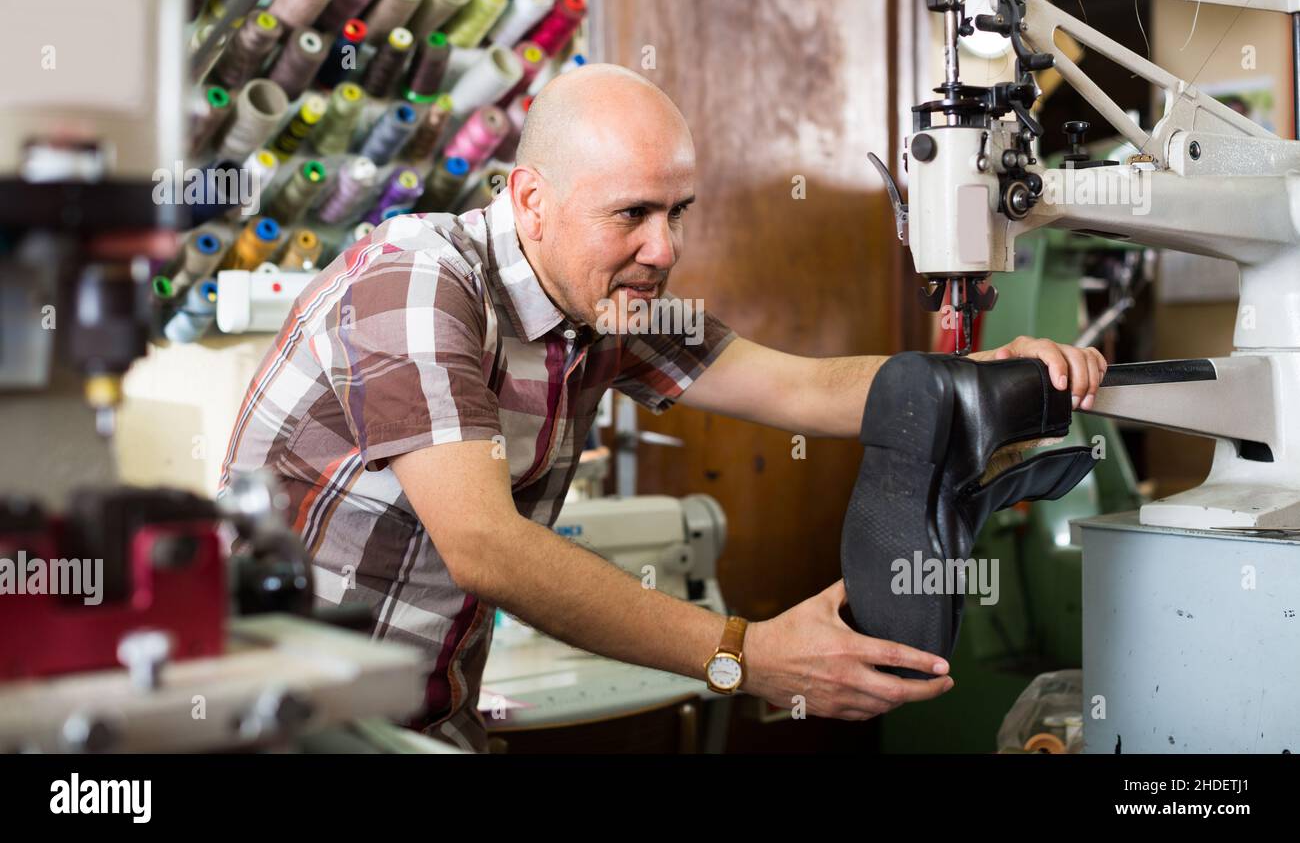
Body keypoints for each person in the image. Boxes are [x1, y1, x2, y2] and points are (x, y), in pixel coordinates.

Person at [220, 63, 1107, 751]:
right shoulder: (419, 281)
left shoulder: (605, 300)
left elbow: (798, 385)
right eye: (632, 213)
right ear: (532, 202)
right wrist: (744, 654)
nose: (665, 247)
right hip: (280, 725)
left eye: (678, 210)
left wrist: (983, 376)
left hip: (426, 718)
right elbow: (487, 547)